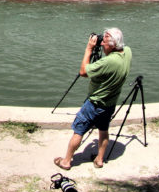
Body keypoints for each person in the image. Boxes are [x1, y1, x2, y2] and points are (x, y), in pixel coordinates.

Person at [53, 28, 132, 171]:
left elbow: (83, 71)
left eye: (105, 42)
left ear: (114, 45)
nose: (102, 44)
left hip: (94, 103)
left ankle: (66, 161)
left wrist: (89, 49)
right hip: (110, 104)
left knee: (79, 131)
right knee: (103, 130)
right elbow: (120, 48)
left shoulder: (108, 62)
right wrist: (106, 41)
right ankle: (99, 159)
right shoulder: (127, 52)